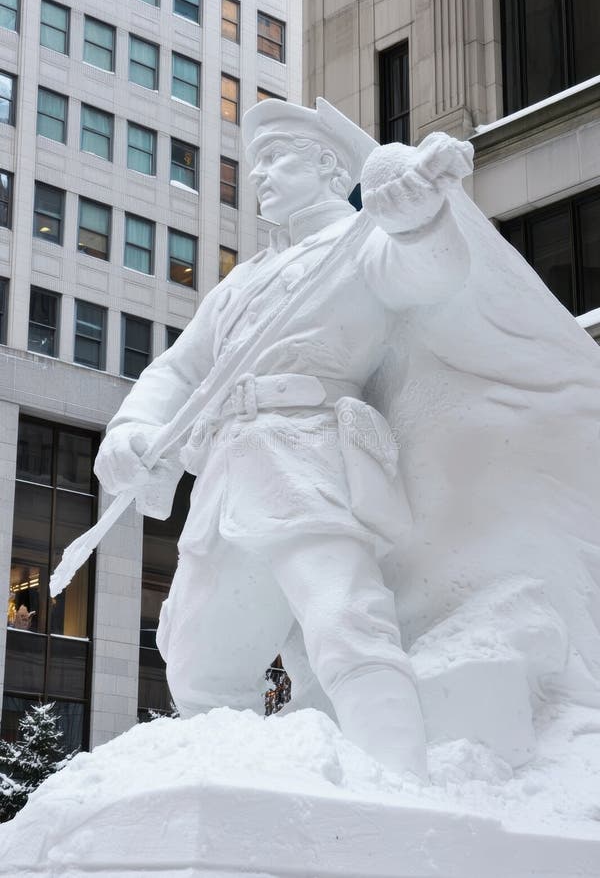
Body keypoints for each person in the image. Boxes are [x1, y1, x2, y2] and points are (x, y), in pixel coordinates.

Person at [94, 98, 600, 778]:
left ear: (331, 167)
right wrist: (132, 429)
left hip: (308, 456)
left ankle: (399, 783)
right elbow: (180, 369)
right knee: (196, 662)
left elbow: (432, 273)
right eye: (256, 165)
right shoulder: (239, 283)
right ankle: (240, 788)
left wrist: (417, 220)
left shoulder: (364, 243)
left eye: (277, 160)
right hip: (225, 477)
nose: (260, 178)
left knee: (346, 627)